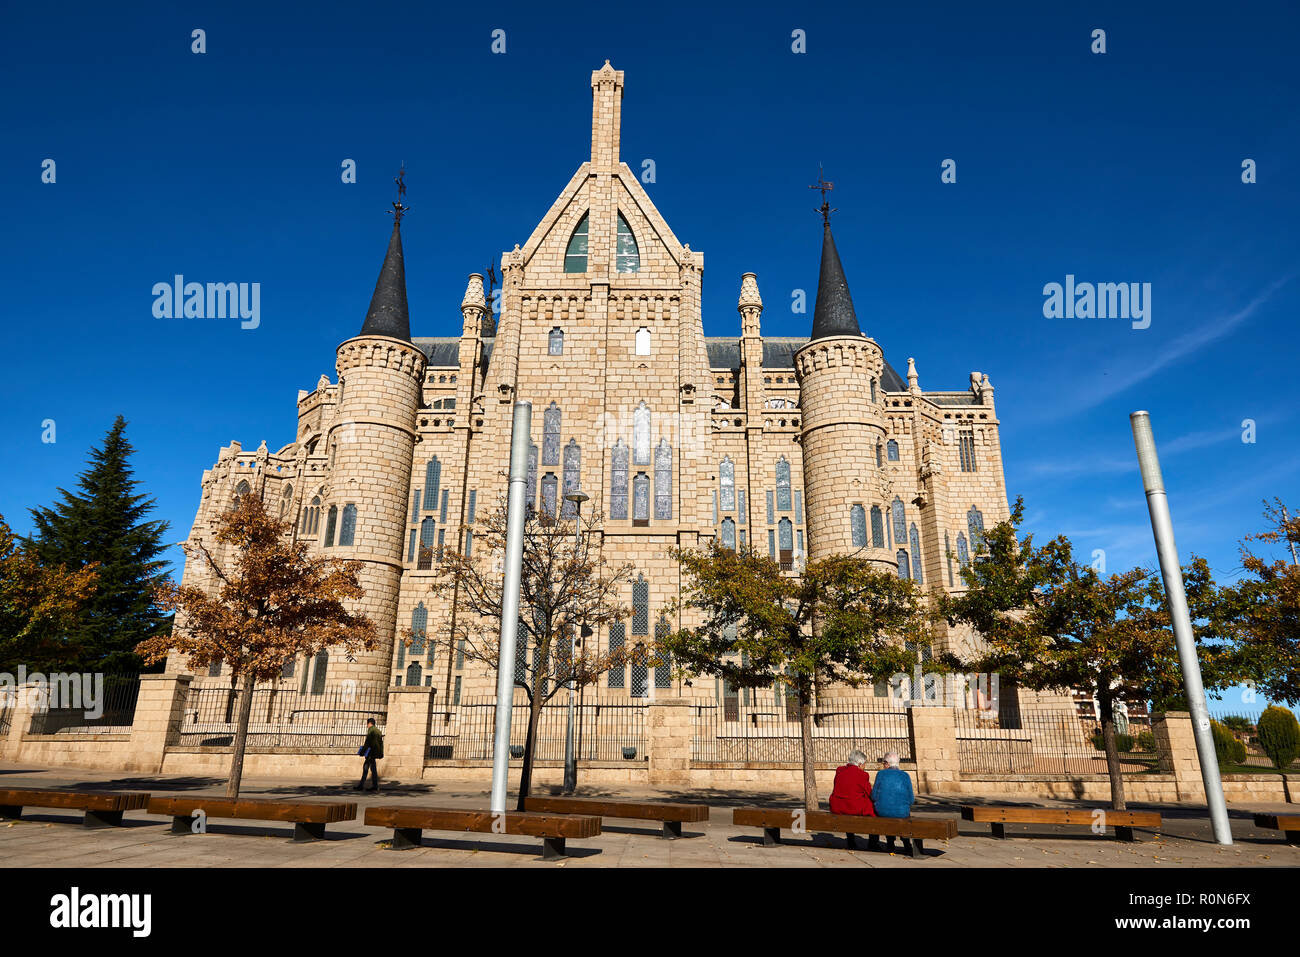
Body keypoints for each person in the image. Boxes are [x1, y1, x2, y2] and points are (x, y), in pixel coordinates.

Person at [869, 750, 915, 854]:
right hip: (901, 813)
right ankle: (906, 843)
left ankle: (890, 843)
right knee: (904, 813)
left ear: (888, 763)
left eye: (884, 763)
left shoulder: (880, 774)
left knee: (886, 810)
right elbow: (911, 799)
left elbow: (874, 796)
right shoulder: (905, 776)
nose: (883, 765)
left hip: (882, 812)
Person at [828, 750, 874, 848]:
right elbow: (870, 793)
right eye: (864, 764)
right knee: (872, 807)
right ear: (860, 764)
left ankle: (851, 840)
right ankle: (873, 842)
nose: (865, 767)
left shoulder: (840, 770)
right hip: (852, 807)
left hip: (837, 806)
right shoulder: (862, 775)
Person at [357, 718, 383, 792]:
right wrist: (380, 753)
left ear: (369, 723)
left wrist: (362, 752)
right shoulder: (378, 731)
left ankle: (362, 786)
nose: (367, 726)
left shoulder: (371, 731)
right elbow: (381, 743)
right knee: (372, 769)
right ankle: (372, 786)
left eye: (367, 724)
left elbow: (368, 742)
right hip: (374, 753)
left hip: (370, 754)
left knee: (366, 769)